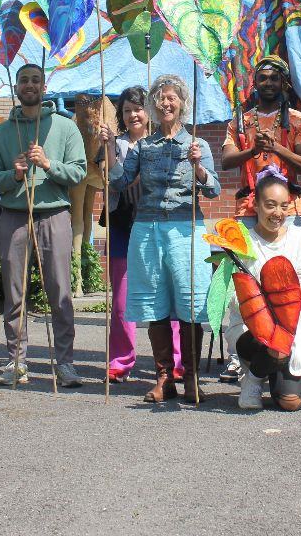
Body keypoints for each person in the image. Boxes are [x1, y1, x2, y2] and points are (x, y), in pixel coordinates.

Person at [102, 74, 221, 403]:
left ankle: (192, 378)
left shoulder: (197, 144)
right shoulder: (143, 146)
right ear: (153, 105)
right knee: (155, 304)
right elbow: (119, 182)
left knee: (191, 302)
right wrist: (109, 148)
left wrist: (198, 168)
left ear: (182, 103)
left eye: (171, 98)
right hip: (147, 230)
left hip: (187, 230)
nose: (165, 103)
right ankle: (164, 378)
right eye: (160, 98)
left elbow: (213, 190)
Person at [0, 64, 87, 388]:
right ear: (15, 86)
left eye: (35, 80)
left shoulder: (65, 128)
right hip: (14, 215)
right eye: (24, 80)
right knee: (15, 293)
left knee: (60, 292)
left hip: (54, 214)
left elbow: (79, 172)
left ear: (44, 87)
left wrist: (48, 164)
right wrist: (13, 175)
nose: (29, 85)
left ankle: (65, 363)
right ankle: (16, 361)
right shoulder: (1, 132)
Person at [219, 54, 301, 381]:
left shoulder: (299, 120)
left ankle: (299, 354)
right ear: (255, 83)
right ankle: (241, 357)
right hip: (247, 213)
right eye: (263, 78)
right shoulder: (241, 122)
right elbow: (227, 160)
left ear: (284, 83)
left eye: (275, 78)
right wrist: (253, 150)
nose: (268, 83)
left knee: (295, 286)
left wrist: (275, 146)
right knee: (243, 286)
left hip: (288, 214)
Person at [96, 86, 183, 383]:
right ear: (120, 115)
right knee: (121, 301)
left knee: (167, 296)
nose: (133, 114)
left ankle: (176, 361)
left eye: (138, 108)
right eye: (126, 110)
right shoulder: (113, 143)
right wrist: (107, 148)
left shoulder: (162, 142)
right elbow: (109, 178)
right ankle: (120, 361)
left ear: (149, 110)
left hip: (156, 224)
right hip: (122, 227)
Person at [230, 170, 301, 411]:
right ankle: (254, 378)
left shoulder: (299, 236)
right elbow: (232, 289)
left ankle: (270, 373)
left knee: (290, 402)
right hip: (252, 328)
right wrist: (257, 306)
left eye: (283, 206)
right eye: (270, 205)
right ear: (255, 205)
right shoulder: (243, 241)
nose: (277, 213)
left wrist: (290, 294)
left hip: (290, 326)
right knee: (273, 342)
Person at [70, 93, 115, 294]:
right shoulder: (77, 118)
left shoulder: (106, 106)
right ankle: (77, 278)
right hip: (82, 165)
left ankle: (84, 276)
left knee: (85, 217)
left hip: (97, 164)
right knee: (78, 219)